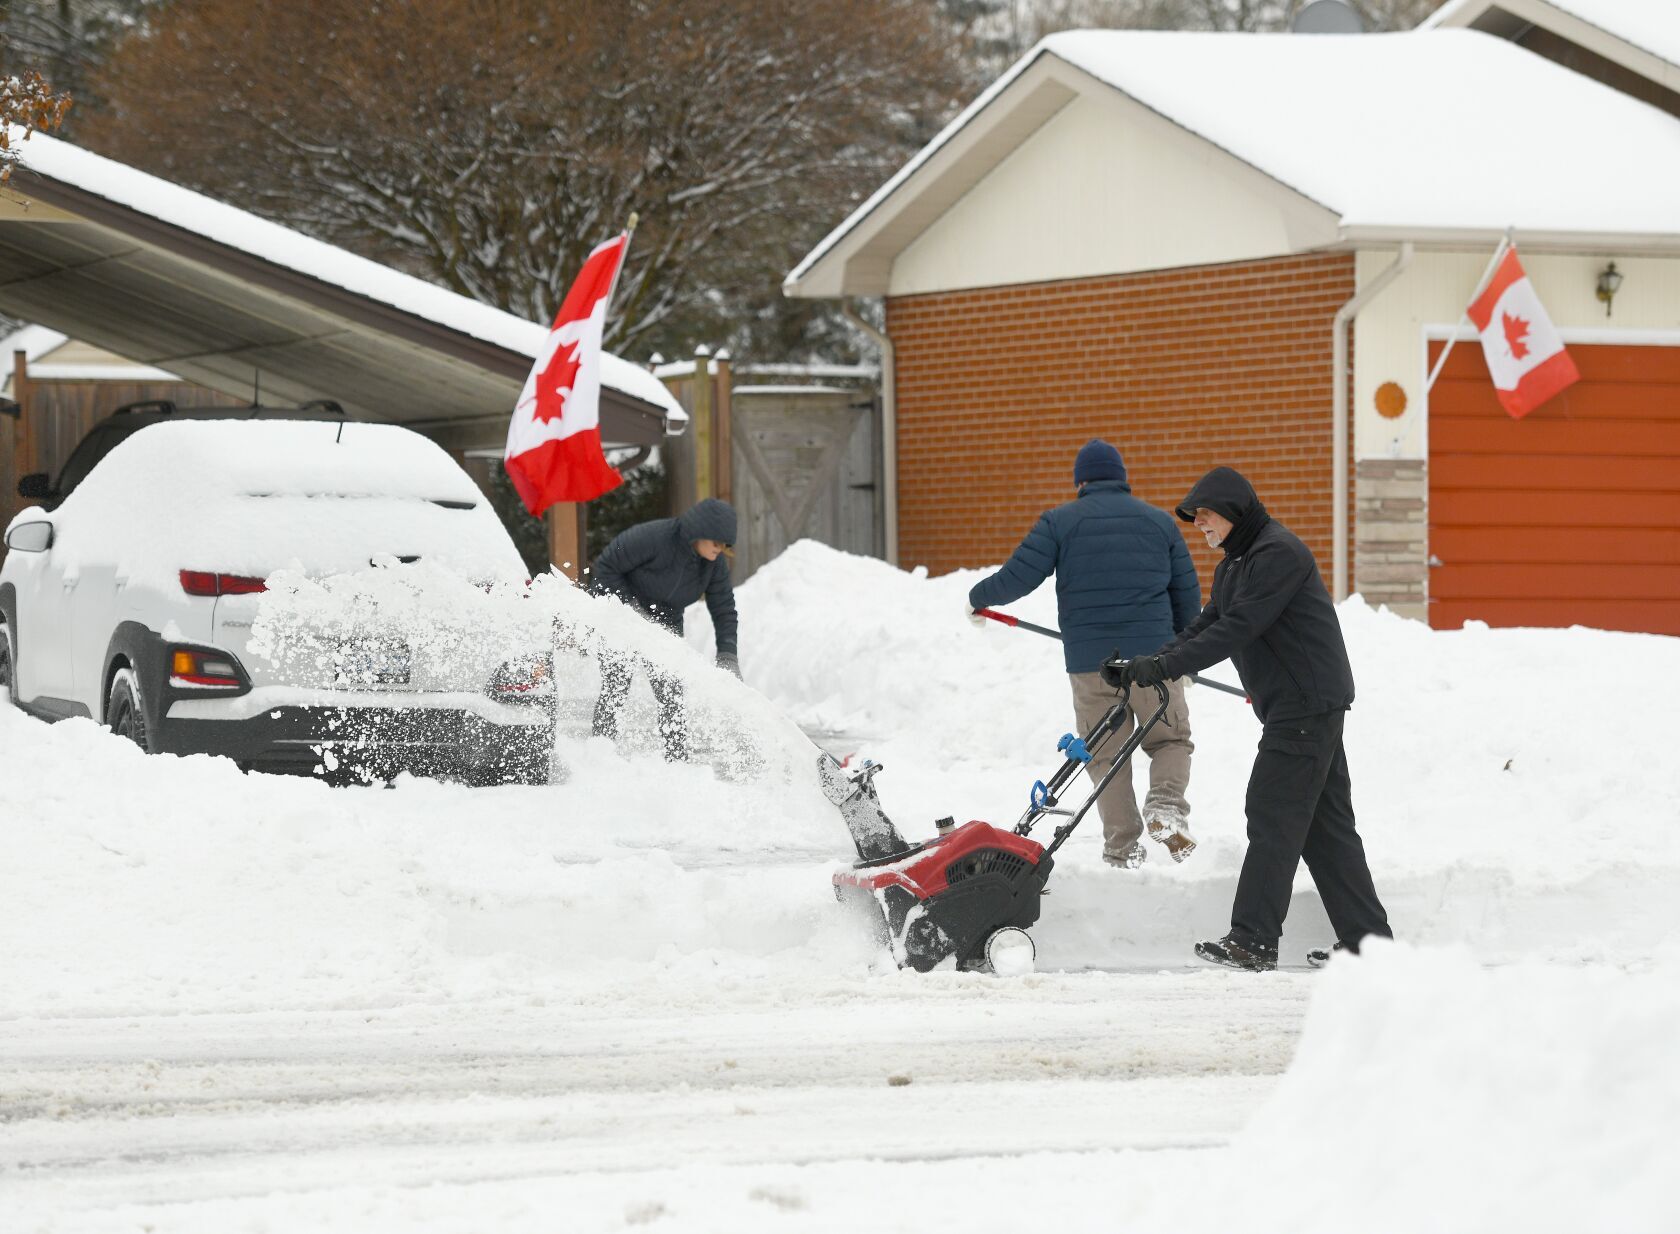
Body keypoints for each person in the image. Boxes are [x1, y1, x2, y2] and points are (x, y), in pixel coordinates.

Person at [1105, 465, 1392, 971]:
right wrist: (1150, 663)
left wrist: (1168, 668)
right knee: (1324, 826)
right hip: (1300, 704)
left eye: (1206, 514)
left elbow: (1240, 626)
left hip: (1304, 705)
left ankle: (1253, 939)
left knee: (1272, 810)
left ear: (1233, 512)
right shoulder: (1236, 565)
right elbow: (1209, 622)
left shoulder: (1277, 554)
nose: (1200, 524)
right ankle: (1370, 944)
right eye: (1196, 517)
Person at [966, 439, 1201, 869]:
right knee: (1170, 740)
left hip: (1093, 665)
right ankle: (1165, 808)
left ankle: (1123, 850)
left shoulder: (1060, 522)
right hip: (1156, 659)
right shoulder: (1159, 522)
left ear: (1081, 482)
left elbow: (1018, 576)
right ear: (1122, 479)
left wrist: (978, 597)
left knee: (1106, 755)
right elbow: (1186, 592)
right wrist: (1189, 655)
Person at [589, 497, 740, 761]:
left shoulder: (713, 565)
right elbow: (606, 567)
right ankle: (599, 754)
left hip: (666, 620)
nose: (720, 549)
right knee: (616, 683)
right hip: (623, 615)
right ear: (700, 533)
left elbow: (724, 608)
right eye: (717, 542)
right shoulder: (654, 537)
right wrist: (630, 610)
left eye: (725, 545)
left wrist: (728, 653)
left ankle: (676, 760)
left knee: (671, 692)